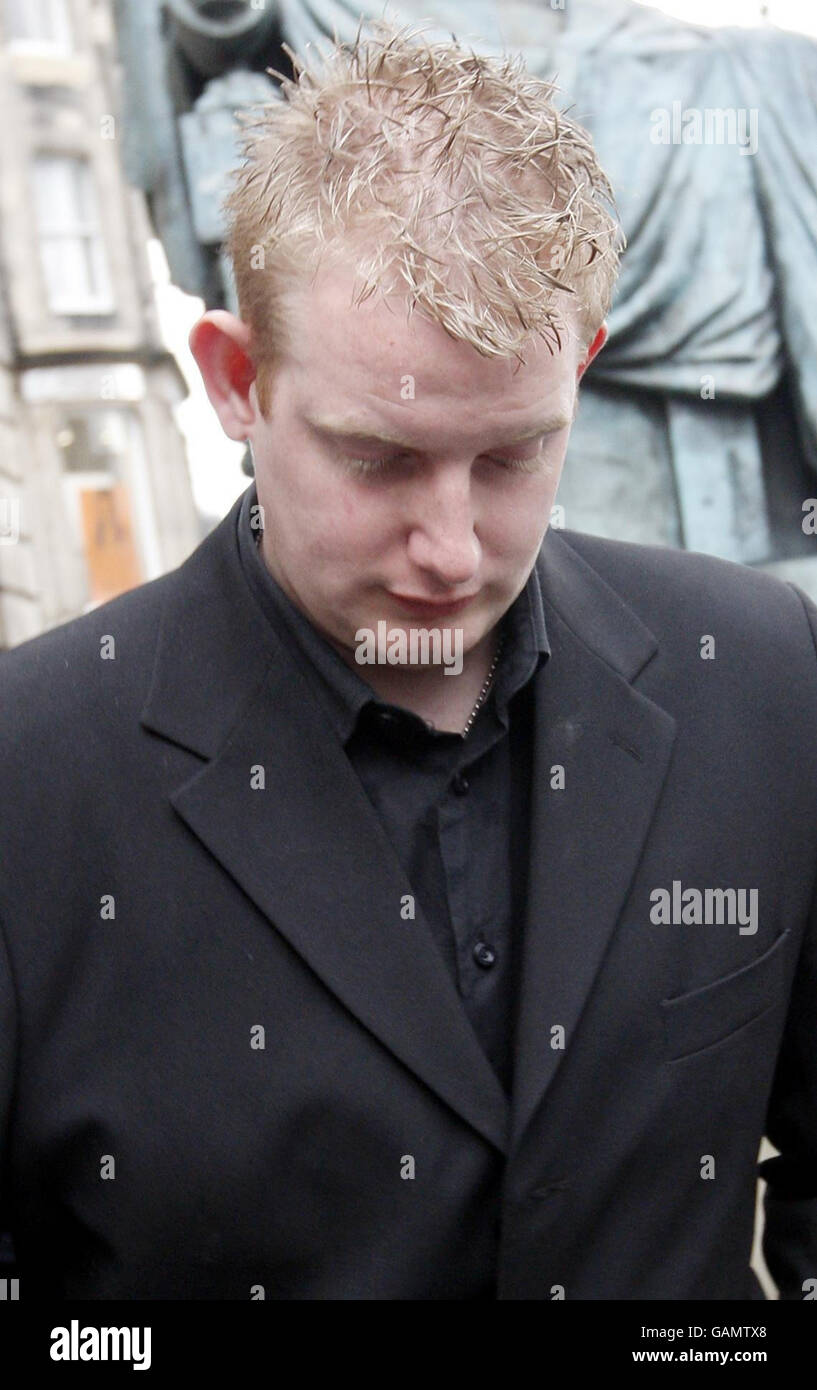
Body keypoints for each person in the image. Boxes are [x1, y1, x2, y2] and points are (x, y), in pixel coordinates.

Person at [0, 18, 815, 1301]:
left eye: (510, 458)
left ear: (578, 375)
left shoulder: (764, 677)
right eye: (377, 458)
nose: (449, 548)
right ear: (232, 378)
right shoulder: (26, 778)